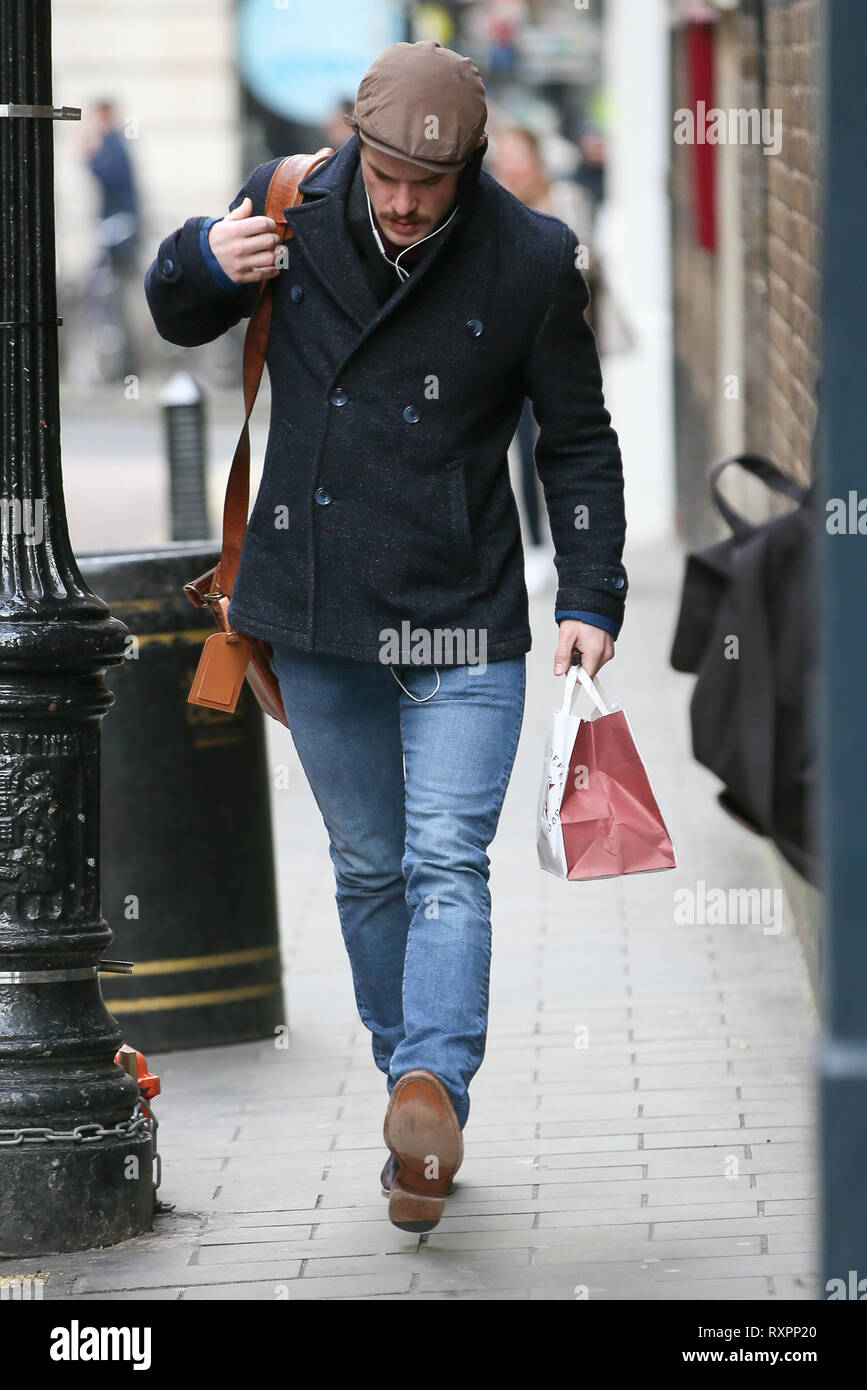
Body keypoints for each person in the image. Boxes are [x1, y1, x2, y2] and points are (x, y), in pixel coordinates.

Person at [144, 40, 627, 1233]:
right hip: (317, 612)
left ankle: (432, 1086)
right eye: (386, 176)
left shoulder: (529, 259)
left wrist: (590, 598)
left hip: (461, 618)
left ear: (469, 165)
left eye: (431, 181)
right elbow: (174, 309)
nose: (404, 202)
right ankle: (409, 1094)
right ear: (357, 148)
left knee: (447, 862)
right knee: (369, 871)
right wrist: (207, 257)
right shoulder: (290, 203)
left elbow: (577, 439)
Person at [490, 125, 598, 595]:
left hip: (558, 348)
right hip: (506, 351)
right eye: (504, 156)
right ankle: (534, 546)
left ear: (536, 158)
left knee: (562, 444)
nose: (511, 164)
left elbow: (586, 266)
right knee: (521, 446)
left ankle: (570, 548)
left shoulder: (565, 200)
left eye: (519, 154)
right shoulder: (488, 209)